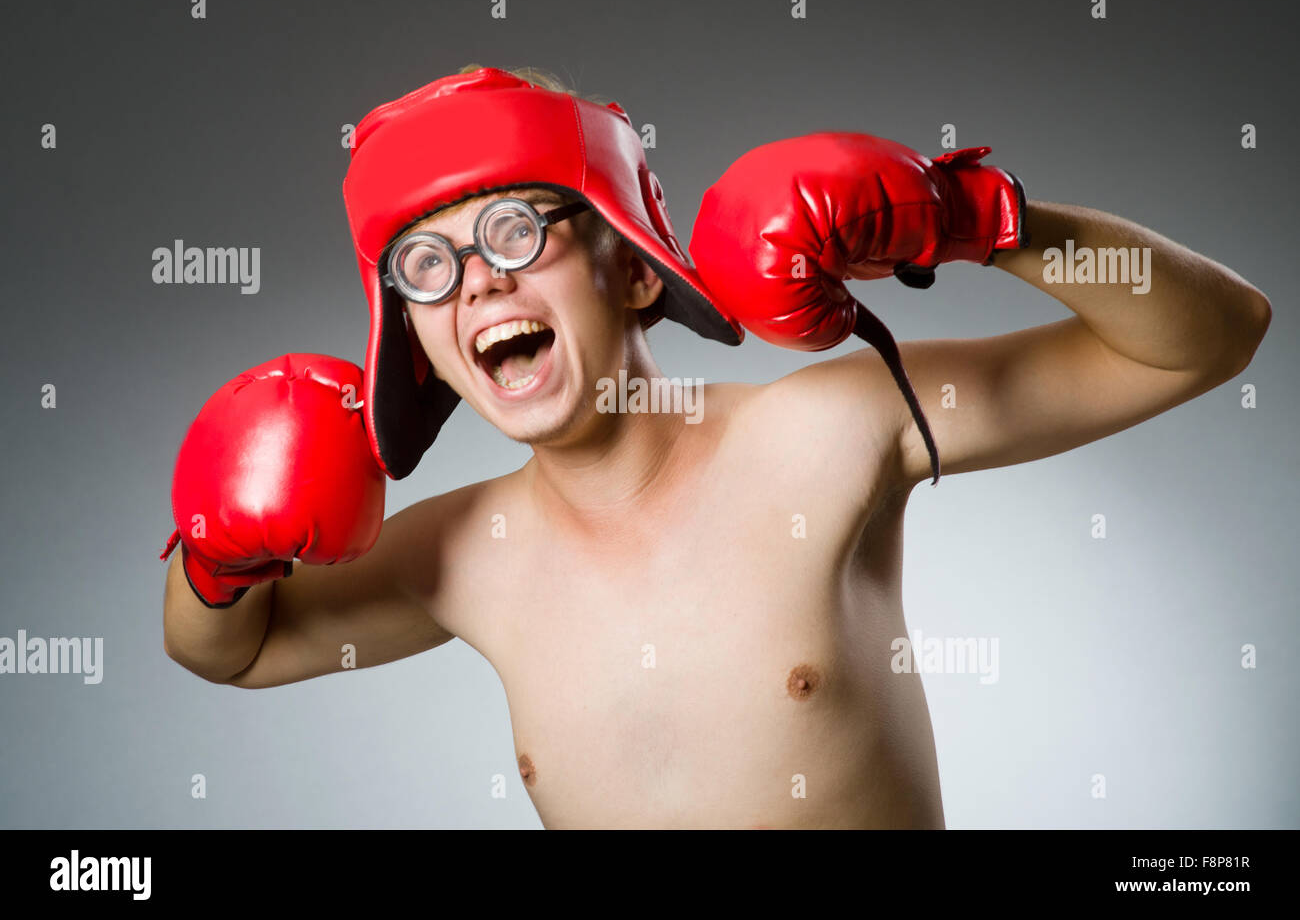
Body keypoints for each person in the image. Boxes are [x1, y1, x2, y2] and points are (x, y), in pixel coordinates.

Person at [160, 64, 1271, 829]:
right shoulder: (461, 553)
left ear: (637, 267)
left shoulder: (831, 432)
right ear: (420, 347)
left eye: (514, 228)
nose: (481, 280)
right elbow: (232, 652)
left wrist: (975, 215)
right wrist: (217, 557)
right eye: (429, 267)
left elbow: (1206, 341)